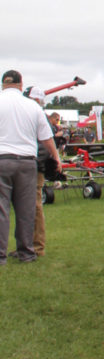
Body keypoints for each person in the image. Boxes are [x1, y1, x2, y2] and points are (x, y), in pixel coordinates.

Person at [0, 70, 61, 264]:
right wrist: (57, 158)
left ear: (3, 84)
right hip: (27, 162)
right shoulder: (32, 107)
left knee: (2, 209)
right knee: (26, 209)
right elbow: (46, 138)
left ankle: (0, 255)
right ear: (20, 84)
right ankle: (26, 252)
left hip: (2, 159)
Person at [28, 87, 52, 257]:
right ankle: (29, 244)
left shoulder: (36, 114)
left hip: (34, 165)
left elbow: (44, 143)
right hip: (33, 164)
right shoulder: (37, 114)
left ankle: (37, 247)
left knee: (35, 206)